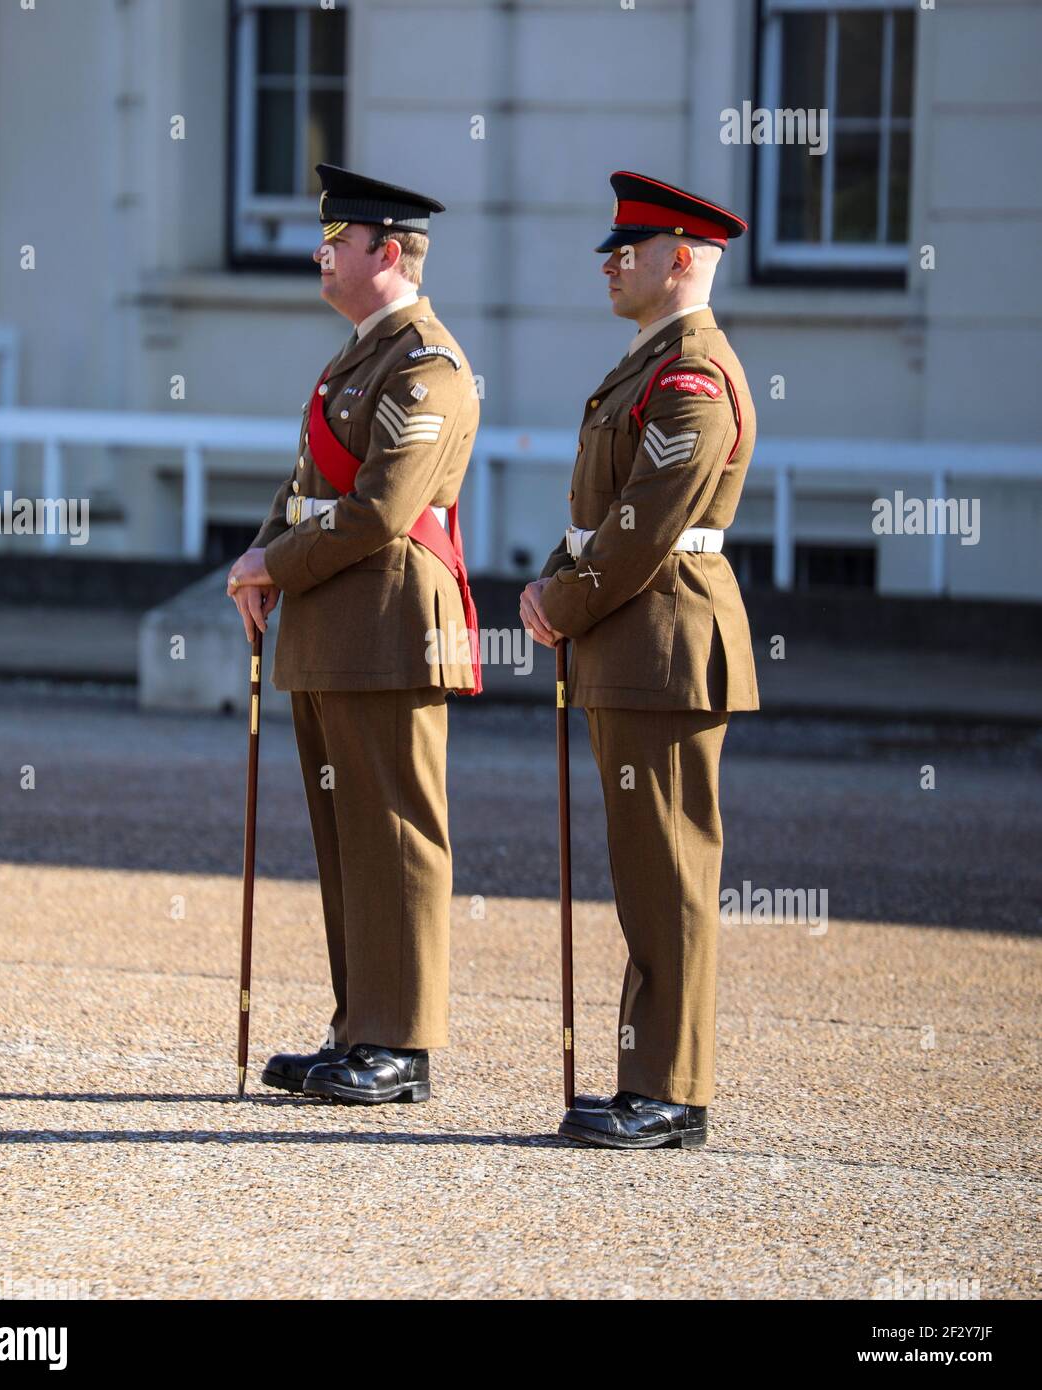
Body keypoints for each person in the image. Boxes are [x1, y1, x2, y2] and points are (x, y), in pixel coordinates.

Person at [228, 164, 481, 1105]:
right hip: (334, 624)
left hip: (391, 621)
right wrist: (258, 560)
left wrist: (277, 566)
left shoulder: (428, 364)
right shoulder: (355, 358)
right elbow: (303, 489)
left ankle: (401, 1046)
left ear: (387, 249)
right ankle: (356, 1029)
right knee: (344, 837)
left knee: (397, 835)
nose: (318, 252)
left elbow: (381, 508)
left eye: (336, 239)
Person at [519, 170, 759, 1149]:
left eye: (631, 248)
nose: (611, 263)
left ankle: (671, 1089)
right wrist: (550, 583)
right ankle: (644, 1078)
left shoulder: (693, 375)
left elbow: (643, 524)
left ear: (682, 260)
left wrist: (565, 600)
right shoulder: (643, 364)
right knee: (641, 872)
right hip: (629, 637)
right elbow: (595, 519)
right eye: (611, 247)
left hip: (665, 637)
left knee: (667, 875)